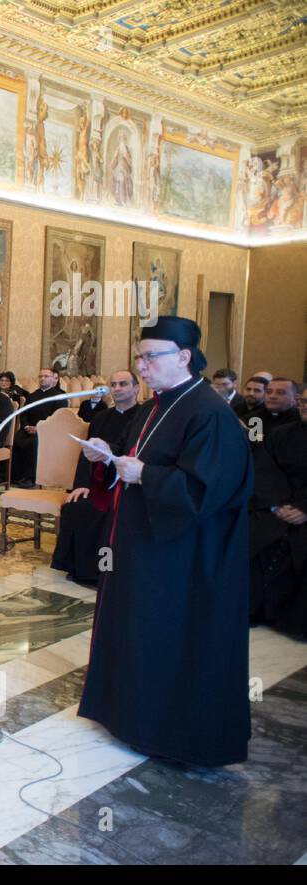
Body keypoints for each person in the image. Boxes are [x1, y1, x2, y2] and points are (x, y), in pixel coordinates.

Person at [77, 317, 253, 766]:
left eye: (150, 357)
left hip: (181, 556)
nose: (142, 367)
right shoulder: (155, 406)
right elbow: (132, 463)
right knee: (135, 627)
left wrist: (147, 475)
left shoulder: (210, 414)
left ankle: (160, 729)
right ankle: (125, 713)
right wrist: (107, 458)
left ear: (183, 357)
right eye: (140, 357)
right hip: (143, 543)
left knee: (164, 635)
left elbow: (206, 490)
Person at [51, 371, 141, 585]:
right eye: (114, 384)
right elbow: (87, 453)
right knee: (75, 506)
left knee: (103, 512)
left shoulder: (142, 417)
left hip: (126, 482)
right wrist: (82, 484)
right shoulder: (101, 417)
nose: (117, 388)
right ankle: (78, 568)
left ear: (136, 388)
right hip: (96, 482)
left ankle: (103, 571)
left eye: (123, 384)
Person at [248, 388, 307, 640]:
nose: (305, 406)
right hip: (276, 507)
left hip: (304, 512)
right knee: (251, 536)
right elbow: (263, 470)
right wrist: (277, 505)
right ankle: (254, 609)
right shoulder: (280, 434)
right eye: (304, 402)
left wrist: (304, 509)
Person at [11, 368, 67, 486]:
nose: (42, 379)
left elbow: (58, 418)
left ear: (53, 379)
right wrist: (26, 426)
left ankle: (31, 478)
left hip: (48, 431)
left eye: (46, 376)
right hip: (29, 429)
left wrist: (40, 428)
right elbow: (24, 413)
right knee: (16, 439)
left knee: (33, 443)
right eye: (41, 376)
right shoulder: (33, 396)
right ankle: (15, 476)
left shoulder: (59, 397)